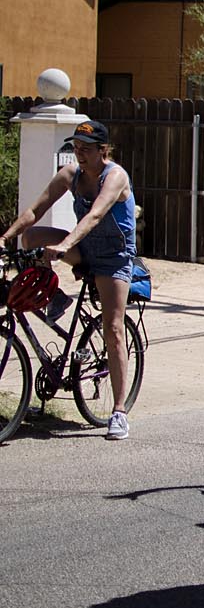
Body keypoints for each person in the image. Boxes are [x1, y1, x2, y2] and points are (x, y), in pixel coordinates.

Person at [1, 120, 136, 440]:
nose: (79, 154)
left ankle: (119, 412)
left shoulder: (115, 176)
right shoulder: (70, 175)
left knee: (113, 328)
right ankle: (57, 298)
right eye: (76, 148)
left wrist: (64, 245)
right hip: (84, 248)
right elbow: (34, 211)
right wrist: (5, 238)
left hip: (113, 258)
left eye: (86, 149)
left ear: (103, 150)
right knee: (31, 237)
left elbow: (95, 215)